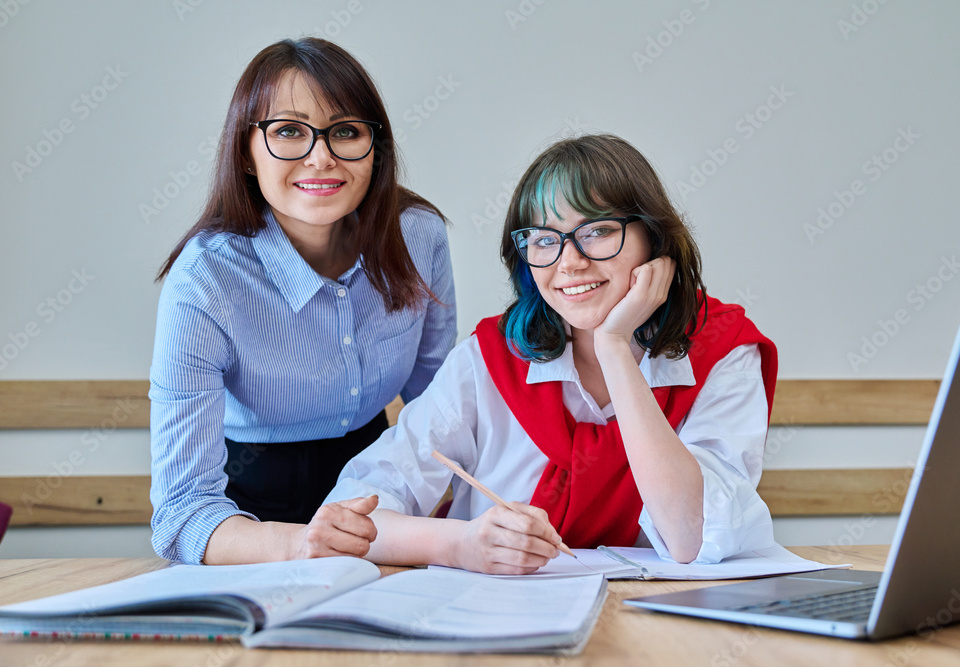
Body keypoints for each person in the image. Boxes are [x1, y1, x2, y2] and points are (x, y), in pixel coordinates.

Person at [323, 133, 778, 574]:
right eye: (543, 239)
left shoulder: (723, 351)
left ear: (655, 240)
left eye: (597, 230)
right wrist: (460, 545)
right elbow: (352, 517)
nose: (569, 262)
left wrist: (615, 347)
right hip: (501, 620)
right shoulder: (489, 359)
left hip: (661, 620)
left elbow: (689, 539)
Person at [148, 38, 457, 565]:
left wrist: (458, 515)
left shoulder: (418, 237)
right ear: (246, 152)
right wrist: (299, 542)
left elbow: (445, 404)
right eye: (288, 131)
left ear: (374, 148)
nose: (322, 157)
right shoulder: (204, 278)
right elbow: (181, 515)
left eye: (346, 132)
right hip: (249, 507)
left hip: (382, 489)